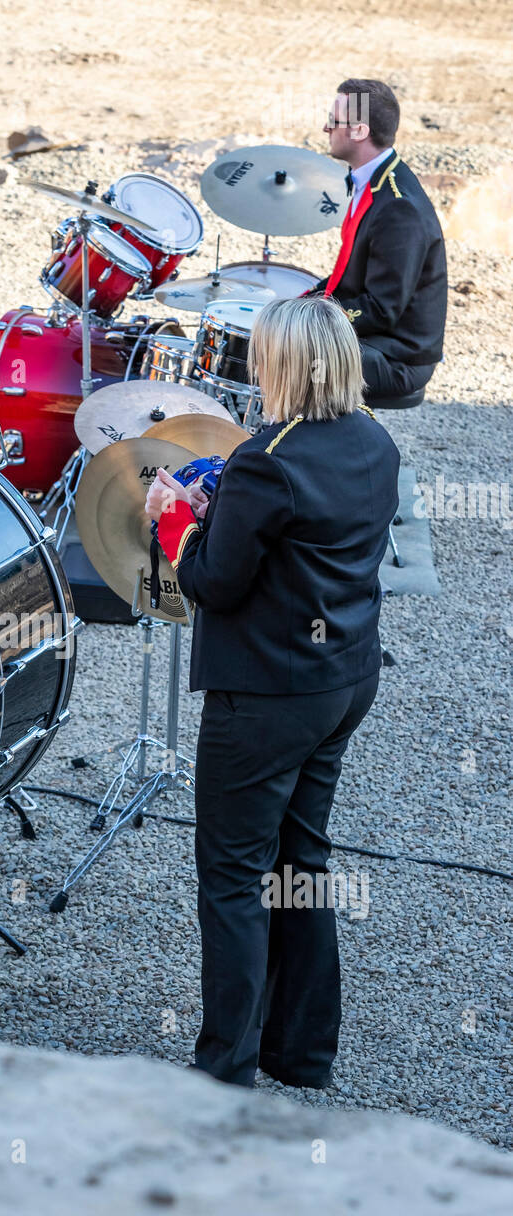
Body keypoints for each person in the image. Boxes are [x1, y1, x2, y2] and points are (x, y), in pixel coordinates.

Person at [144, 295, 399, 1089]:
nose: (253, 367)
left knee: (232, 875)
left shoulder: (267, 458)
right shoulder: (375, 441)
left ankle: (224, 1071)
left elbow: (216, 584)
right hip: (342, 682)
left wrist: (172, 523)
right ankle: (302, 1052)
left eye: (261, 355)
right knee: (300, 861)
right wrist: (225, 513)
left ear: (283, 364)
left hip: (265, 697)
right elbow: (305, 542)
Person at [309, 77, 447, 402]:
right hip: (378, 336)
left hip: (398, 355)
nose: (326, 128)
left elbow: (382, 309)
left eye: (333, 121)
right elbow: (353, 277)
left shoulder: (399, 207)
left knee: (291, 356)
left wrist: (308, 320)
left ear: (359, 131)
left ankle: (307, 448)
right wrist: (298, 301)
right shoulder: (375, 180)